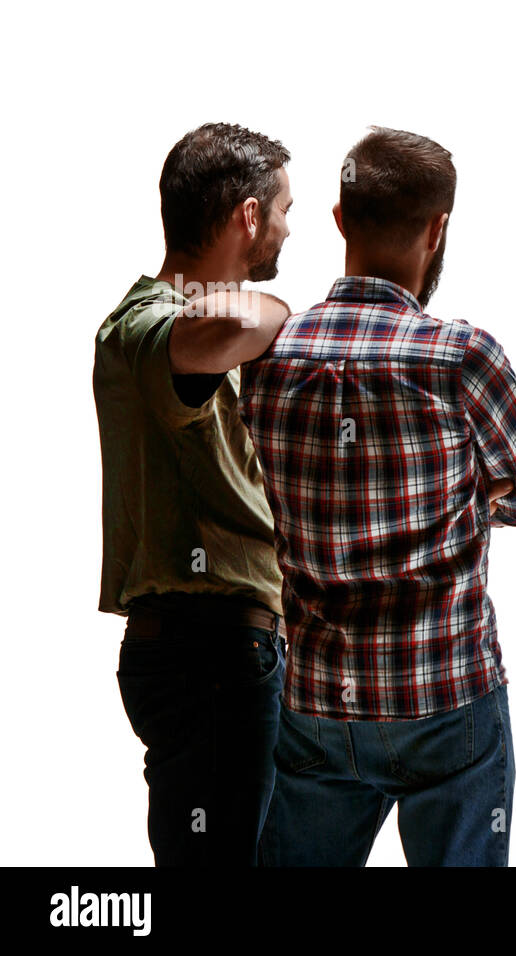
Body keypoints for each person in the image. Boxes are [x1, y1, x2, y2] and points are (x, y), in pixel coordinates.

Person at [240, 126, 516, 867]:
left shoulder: (266, 353)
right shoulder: (461, 357)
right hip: (447, 693)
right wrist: (477, 494)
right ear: (439, 228)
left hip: (317, 700)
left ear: (340, 219)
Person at [94, 122, 296, 865]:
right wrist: (275, 313)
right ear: (248, 216)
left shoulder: (220, 336)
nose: (287, 228)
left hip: (239, 653)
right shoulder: (141, 328)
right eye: (282, 209)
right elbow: (227, 325)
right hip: (209, 657)